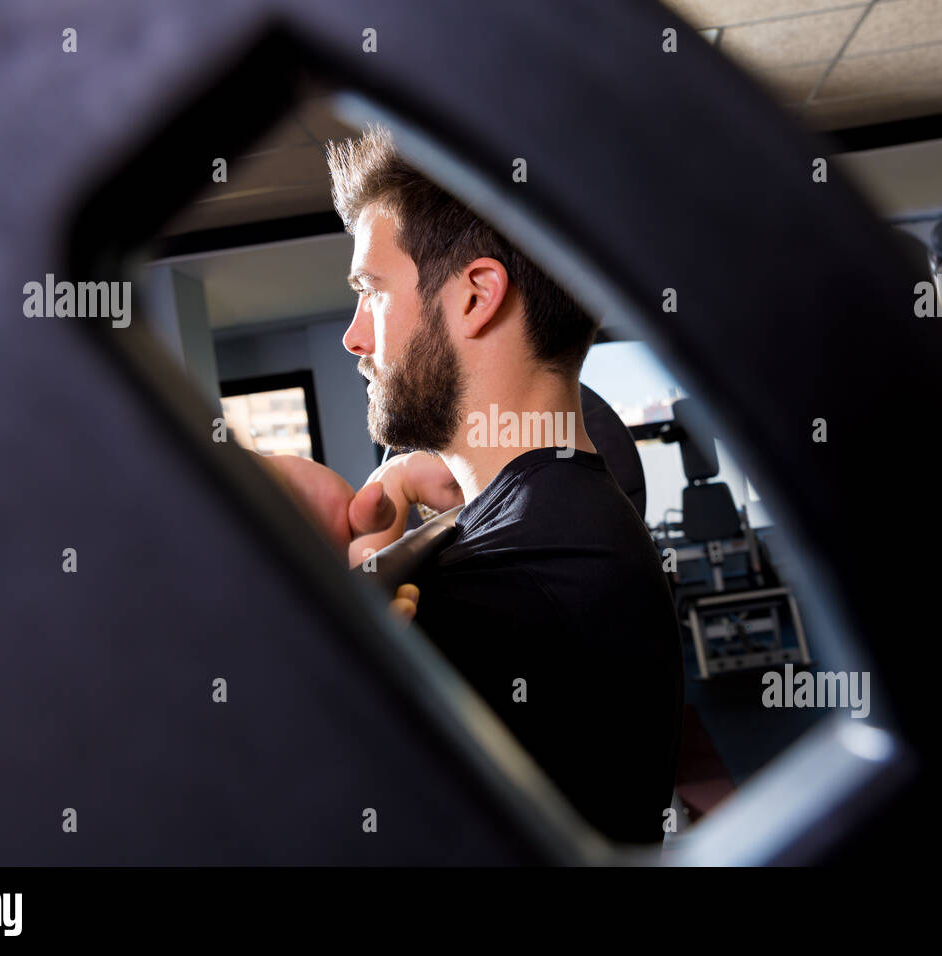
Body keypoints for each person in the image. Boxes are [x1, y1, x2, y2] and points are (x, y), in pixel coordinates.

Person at [265, 125, 683, 846]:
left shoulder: (482, 609)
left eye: (372, 290)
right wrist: (413, 475)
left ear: (477, 296)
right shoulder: (573, 499)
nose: (354, 337)